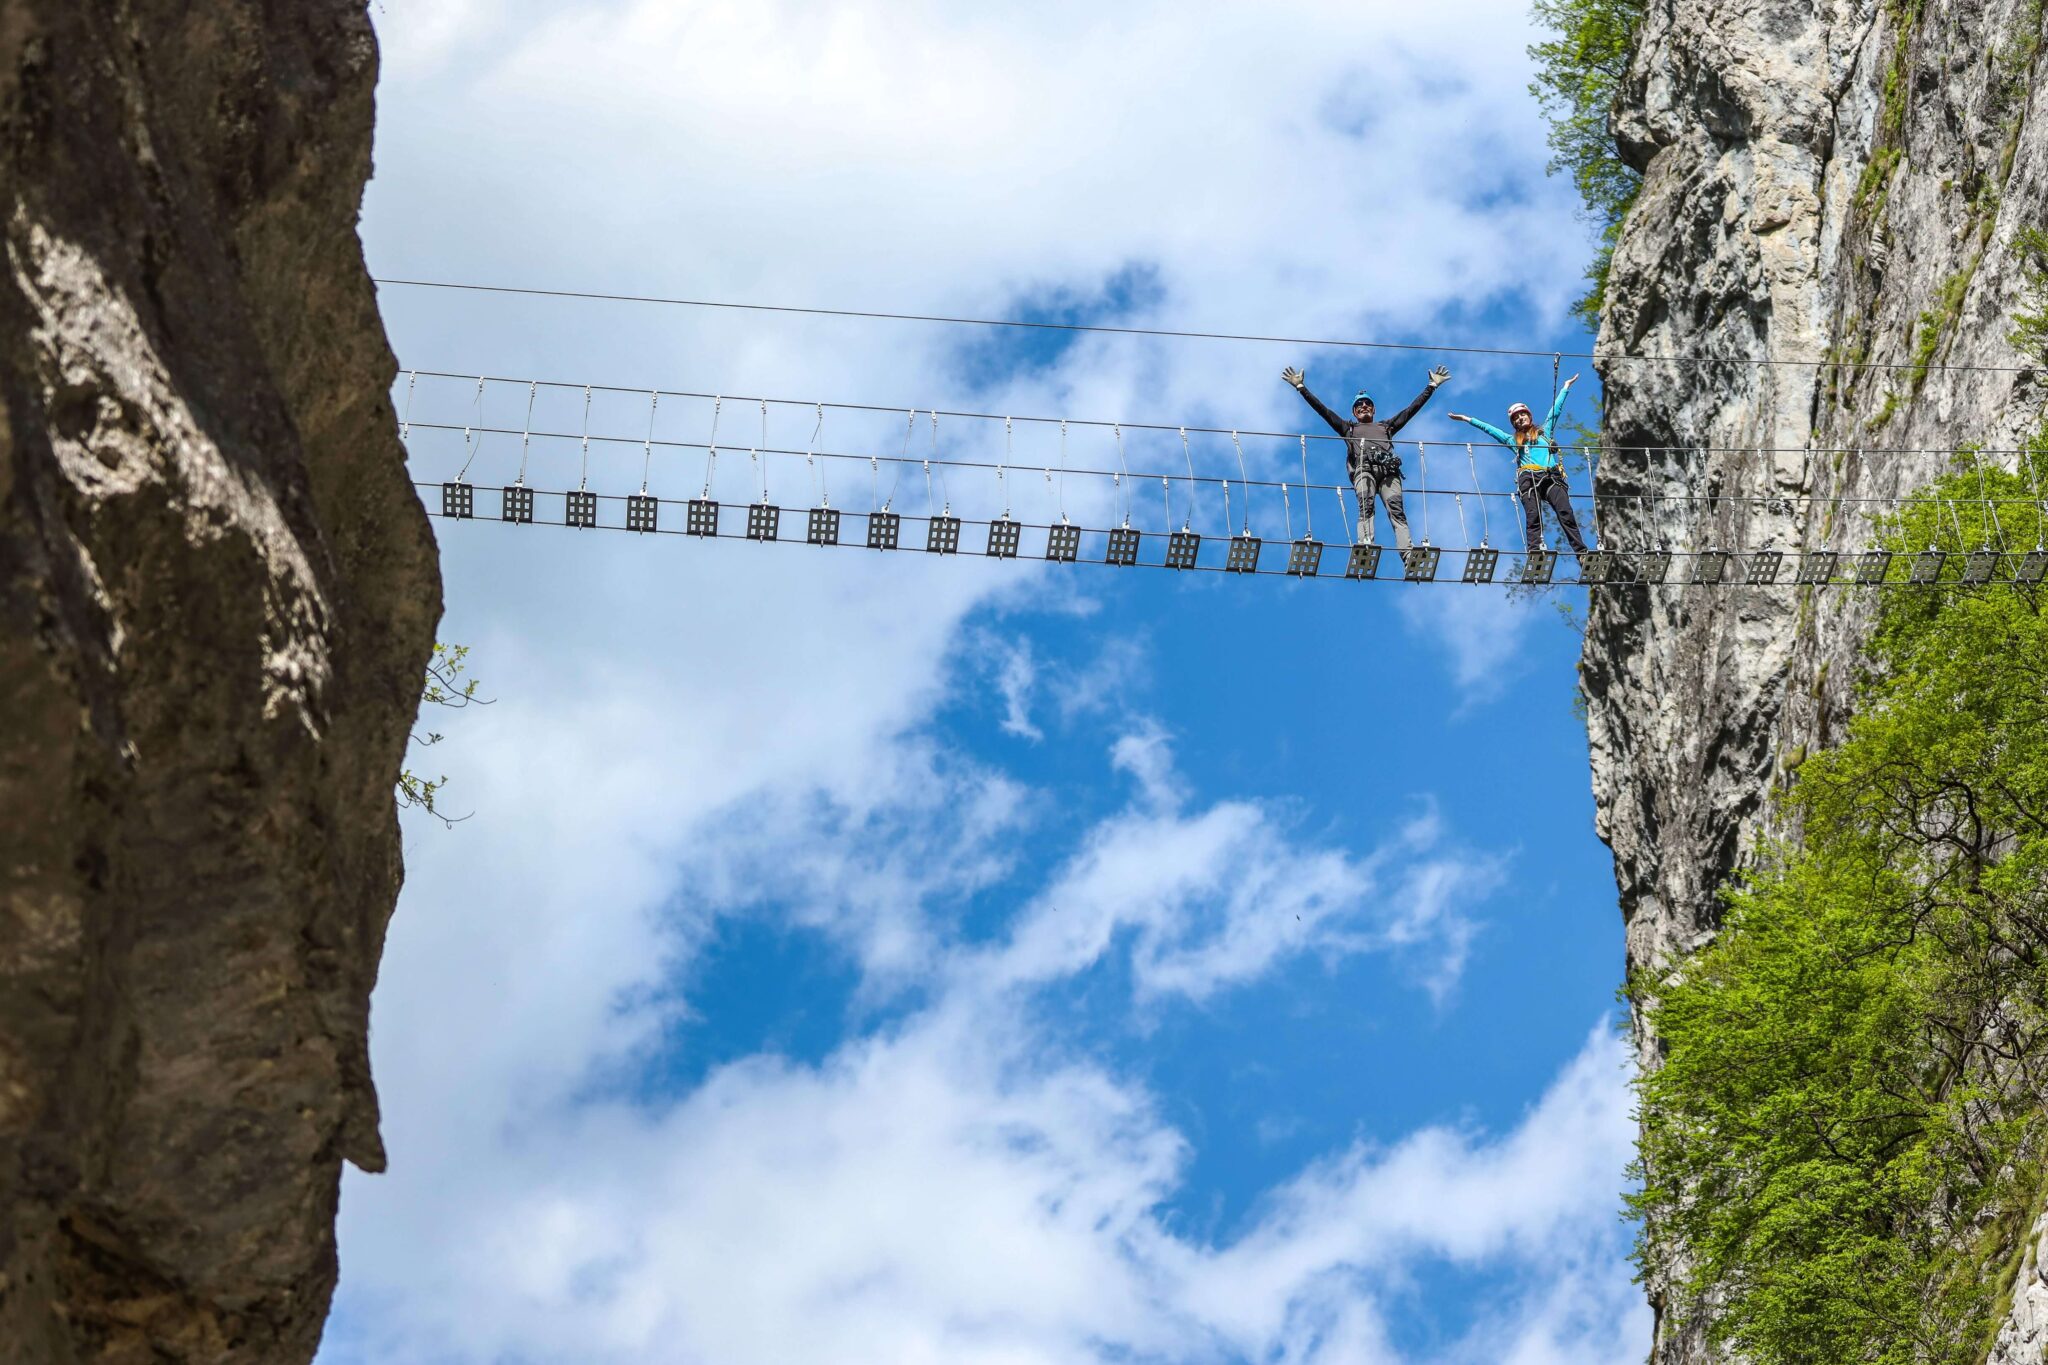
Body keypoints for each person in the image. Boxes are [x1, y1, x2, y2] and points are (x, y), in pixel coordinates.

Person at [1283, 364, 1450, 550]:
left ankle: (1408, 553)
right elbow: (1324, 411)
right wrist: (1301, 388)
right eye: (1359, 405)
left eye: (1367, 404)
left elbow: (1410, 410)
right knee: (1366, 505)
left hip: (1388, 473)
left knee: (1397, 511)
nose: (1364, 406)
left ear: (1373, 410)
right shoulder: (1349, 428)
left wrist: (1431, 387)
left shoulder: (1386, 426)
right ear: (1354, 412)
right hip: (1364, 470)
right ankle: (1366, 543)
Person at [1448, 375, 1590, 555]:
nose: (1520, 419)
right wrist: (1467, 419)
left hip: (1552, 477)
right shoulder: (1513, 441)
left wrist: (1565, 387)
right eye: (1515, 418)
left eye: (1522, 415)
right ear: (1514, 424)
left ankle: (1582, 554)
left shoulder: (1544, 432)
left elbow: (1555, 410)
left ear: (1529, 416)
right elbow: (1490, 429)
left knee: (1566, 513)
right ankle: (1535, 552)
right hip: (1529, 479)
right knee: (1533, 516)